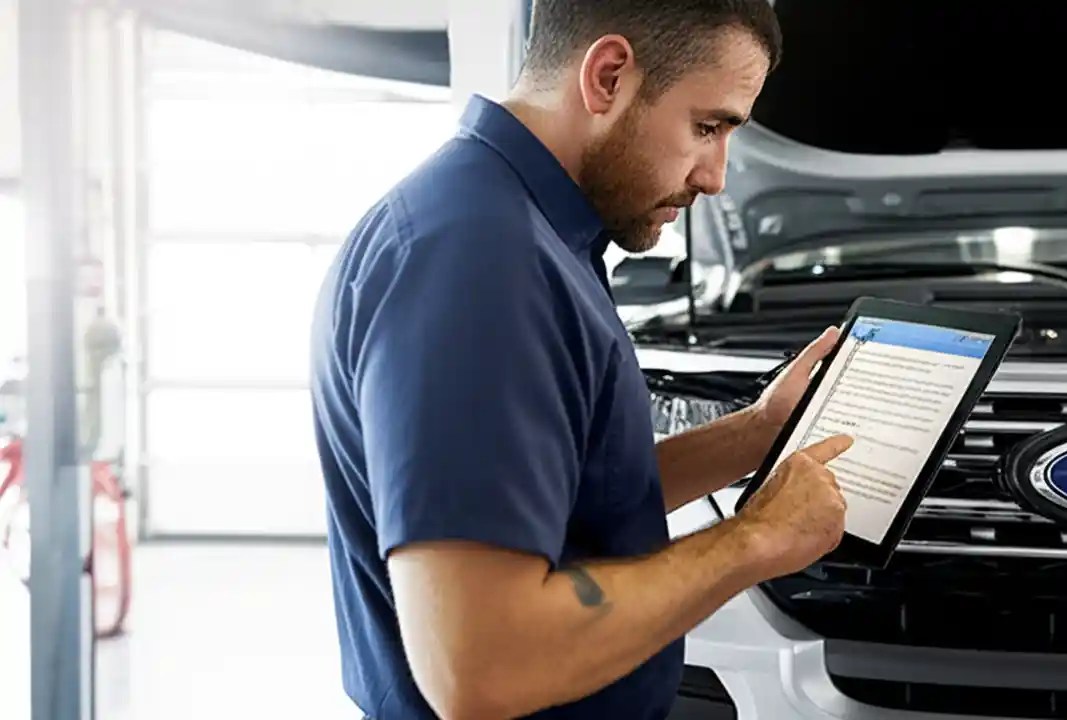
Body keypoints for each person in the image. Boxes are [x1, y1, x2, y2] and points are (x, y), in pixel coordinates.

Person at [309, 1, 853, 717]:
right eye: (707, 126)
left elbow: (560, 506)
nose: (716, 177)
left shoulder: (520, 229)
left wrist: (757, 433)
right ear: (607, 76)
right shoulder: (480, 262)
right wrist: (755, 539)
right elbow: (481, 666)